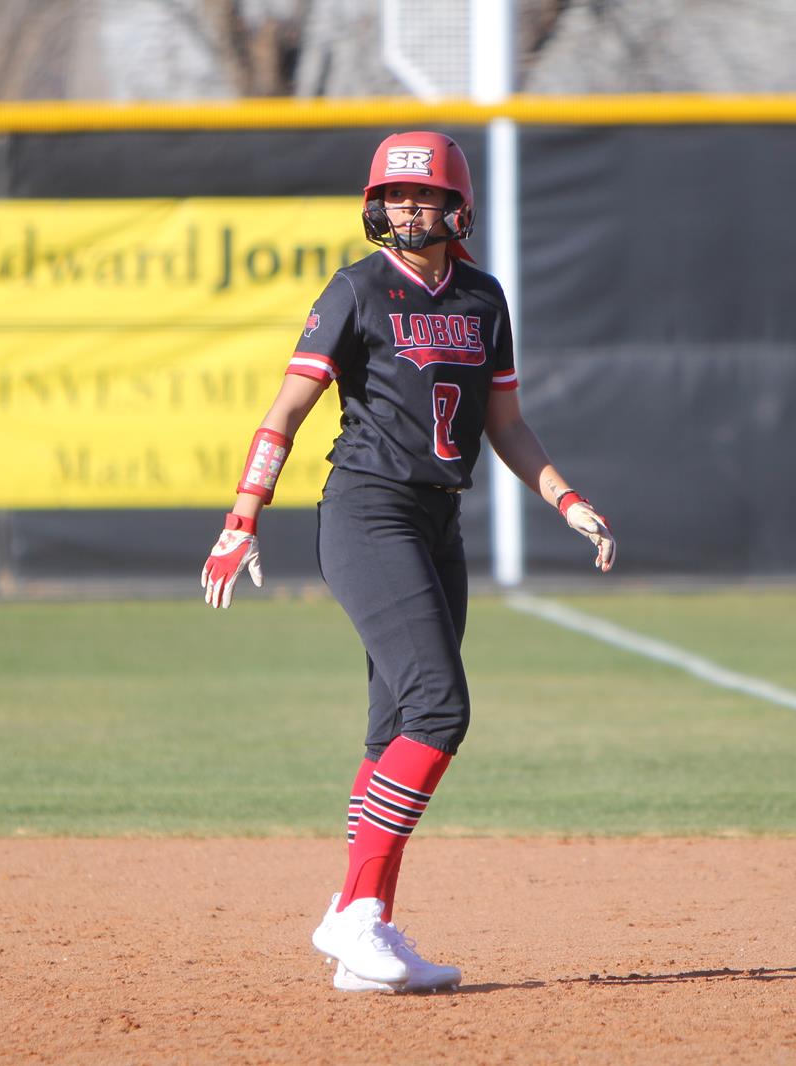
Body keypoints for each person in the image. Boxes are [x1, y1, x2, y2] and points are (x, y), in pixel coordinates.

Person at [199, 131, 617, 993]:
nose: (406, 208)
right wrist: (244, 517)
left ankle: (368, 928)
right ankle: (352, 916)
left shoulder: (482, 298)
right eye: (393, 195)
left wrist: (567, 499)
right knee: (439, 709)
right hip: (367, 511)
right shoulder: (357, 289)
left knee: (394, 728)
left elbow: (505, 424)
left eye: (422, 196)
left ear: (457, 206)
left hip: (439, 520)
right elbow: (286, 410)